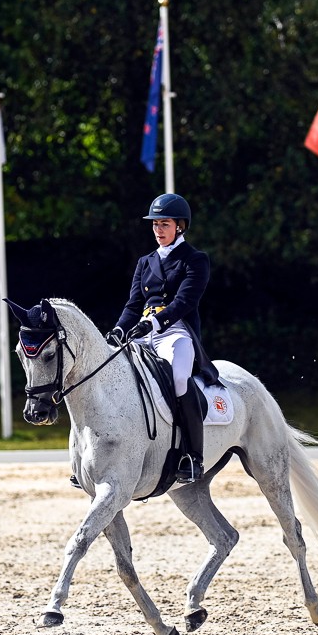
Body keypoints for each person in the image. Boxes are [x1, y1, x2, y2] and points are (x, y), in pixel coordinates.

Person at [106, 193, 220, 484]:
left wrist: (154, 323)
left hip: (176, 333)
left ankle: (193, 456)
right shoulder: (146, 262)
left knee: (179, 379)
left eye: (164, 224)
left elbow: (184, 301)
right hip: (144, 333)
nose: (158, 230)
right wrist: (120, 328)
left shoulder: (195, 260)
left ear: (180, 226)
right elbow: (133, 304)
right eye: (155, 224)